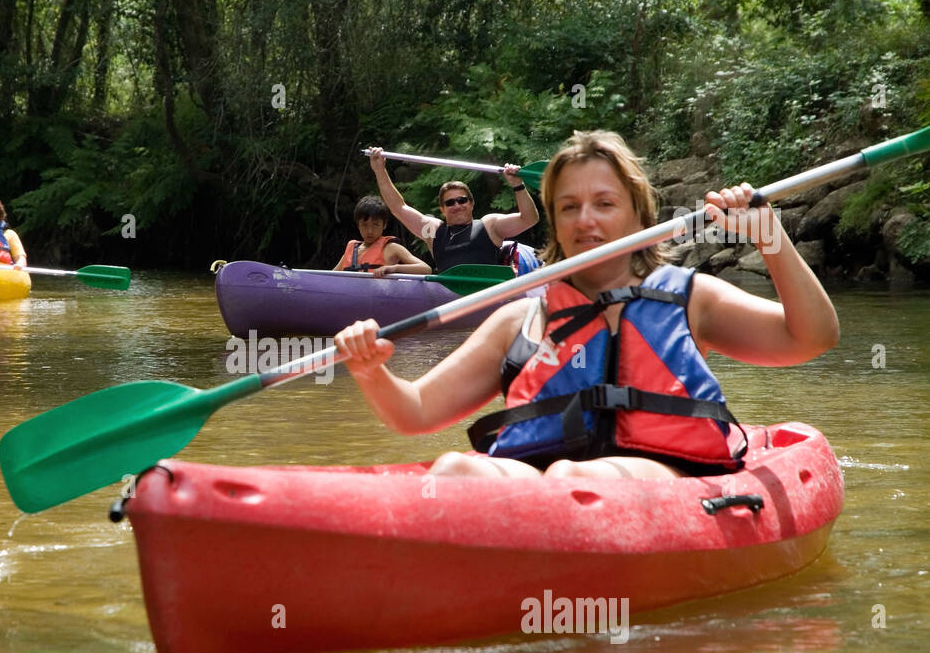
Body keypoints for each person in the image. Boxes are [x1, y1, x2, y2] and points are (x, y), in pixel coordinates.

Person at [335, 130, 840, 481]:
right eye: (569, 207)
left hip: (655, 480)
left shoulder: (689, 297)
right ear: (553, 221)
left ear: (638, 213)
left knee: (590, 477)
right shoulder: (519, 319)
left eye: (604, 203)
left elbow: (810, 337)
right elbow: (416, 412)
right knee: (454, 468)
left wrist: (772, 240)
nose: (585, 220)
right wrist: (370, 371)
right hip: (541, 484)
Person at [366, 146, 541, 272]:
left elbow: (529, 218)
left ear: (471, 203)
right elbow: (399, 208)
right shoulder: (432, 231)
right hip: (450, 302)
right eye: (450, 203)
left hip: (488, 297)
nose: (457, 206)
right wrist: (379, 169)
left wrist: (518, 185)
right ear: (442, 209)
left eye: (462, 200)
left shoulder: (490, 225)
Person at [333, 196, 433, 276]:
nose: (370, 231)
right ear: (358, 225)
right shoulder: (352, 248)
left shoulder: (391, 248)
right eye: (364, 225)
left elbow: (426, 269)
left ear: (384, 225)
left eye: (375, 225)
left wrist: (395, 268)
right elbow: (330, 276)